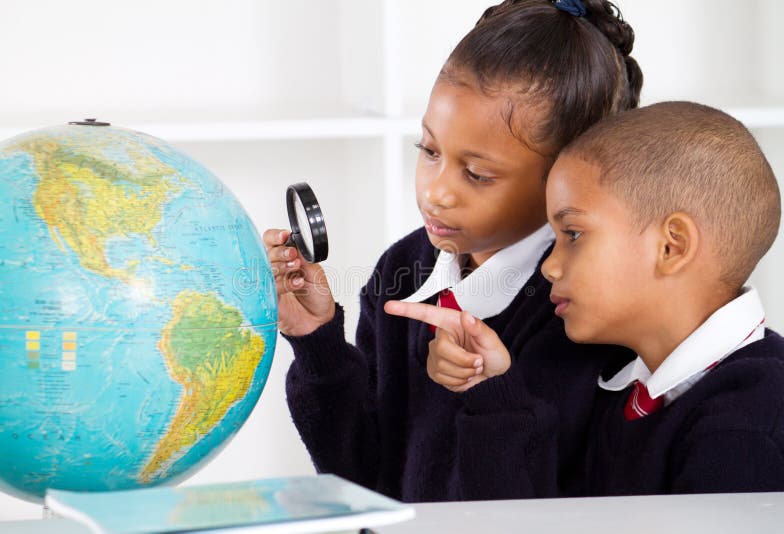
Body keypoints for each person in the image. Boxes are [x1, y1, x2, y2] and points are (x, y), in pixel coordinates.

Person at [264, 0, 641, 501]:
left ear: (565, 177)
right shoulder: (401, 269)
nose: (435, 192)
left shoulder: (582, 308)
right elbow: (359, 477)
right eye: (429, 151)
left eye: (477, 174)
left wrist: (490, 392)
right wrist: (318, 342)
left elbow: (538, 509)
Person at [387, 101, 784, 495]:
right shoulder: (622, 391)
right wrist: (495, 393)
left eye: (573, 234)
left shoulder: (747, 426)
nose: (549, 267)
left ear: (671, 247)